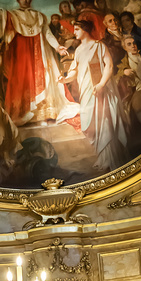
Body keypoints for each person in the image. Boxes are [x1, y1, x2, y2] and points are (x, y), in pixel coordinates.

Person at [0, 0, 78, 126]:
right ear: (18, 0)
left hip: (38, 54)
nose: (25, 1)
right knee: (24, 82)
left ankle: (42, 116)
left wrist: (58, 47)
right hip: (22, 55)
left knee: (43, 81)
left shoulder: (39, 16)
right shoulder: (12, 15)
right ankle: (25, 116)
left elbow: (47, 33)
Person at [59, 20, 128, 171]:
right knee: (91, 123)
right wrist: (65, 79)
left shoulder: (98, 45)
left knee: (103, 122)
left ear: (85, 30)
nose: (74, 32)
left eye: (77, 29)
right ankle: (102, 157)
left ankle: (110, 159)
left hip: (99, 89)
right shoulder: (78, 50)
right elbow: (74, 70)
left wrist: (101, 84)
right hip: (86, 90)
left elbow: (109, 66)